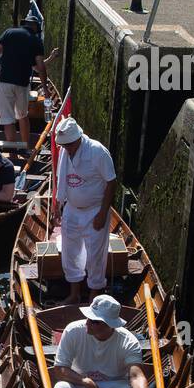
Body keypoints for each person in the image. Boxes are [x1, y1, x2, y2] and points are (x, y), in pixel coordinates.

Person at [53, 117, 117, 305]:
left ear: (78, 138)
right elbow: (61, 179)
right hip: (72, 209)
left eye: (69, 144)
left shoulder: (97, 152)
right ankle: (74, 294)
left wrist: (103, 213)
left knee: (96, 254)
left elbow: (111, 182)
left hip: (95, 209)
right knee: (70, 252)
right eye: (63, 145)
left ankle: (93, 297)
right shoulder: (65, 152)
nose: (67, 148)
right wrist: (58, 205)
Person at [0, 10, 50, 148]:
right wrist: (45, 88)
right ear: (35, 27)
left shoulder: (8, 33)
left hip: (4, 83)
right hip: (22, 84)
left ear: (25, 24)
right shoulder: (36, 41)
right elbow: (41, 67)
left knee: (8, 119)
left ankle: (13, 150)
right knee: (22, 115)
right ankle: (25, 147)